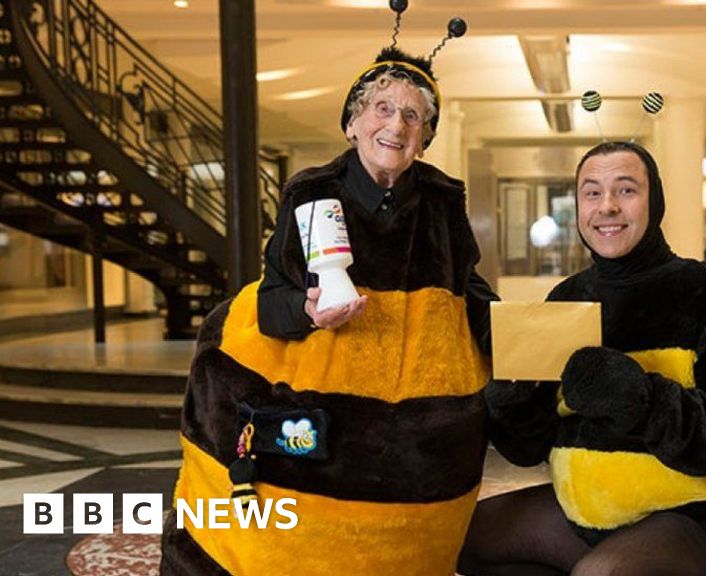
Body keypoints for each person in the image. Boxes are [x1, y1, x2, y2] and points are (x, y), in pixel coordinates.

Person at [160, 35, 498, 576]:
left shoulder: (442, 200)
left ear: (425, 138)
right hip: (327, 405)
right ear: (352, 122)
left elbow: (466, 286)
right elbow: (273, 302)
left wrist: (509, 334)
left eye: (413, 116)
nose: (396, 125)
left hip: (413, 422)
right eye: (382, 108)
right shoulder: (312, 193)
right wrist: (307, 311)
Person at [458, 141, 706, 576]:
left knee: (604, 573)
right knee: (456, 535)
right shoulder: (567, 298)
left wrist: (643, 401)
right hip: (596, 508)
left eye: (626, 190)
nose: (608, 206)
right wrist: (512, 401)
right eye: (592, 192)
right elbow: (531, 448)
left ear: (655, 201)